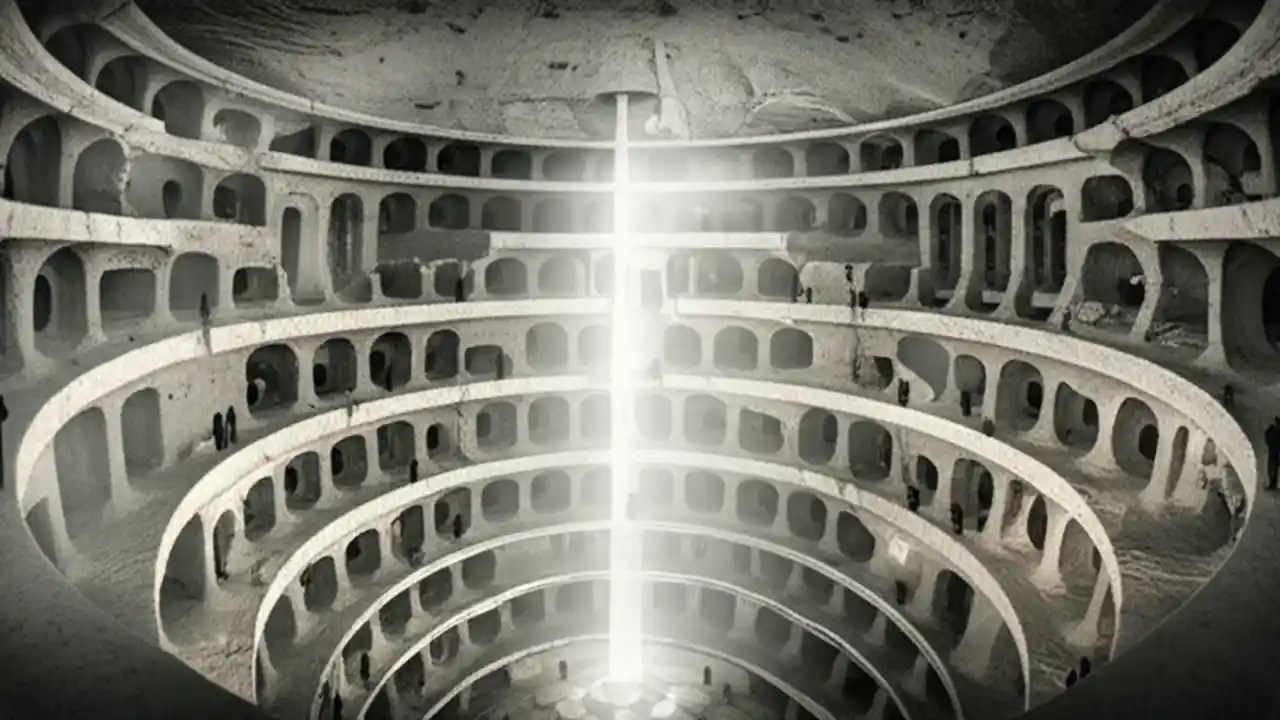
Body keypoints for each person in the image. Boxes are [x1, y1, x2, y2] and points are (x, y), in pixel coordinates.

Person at [1266, 417, 1280, 491]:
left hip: (1273, 452)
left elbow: (1267, 435)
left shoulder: (1272, 429)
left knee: (1272, 468)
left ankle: (1272, 484)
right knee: (1273, 468)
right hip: (1275, 452)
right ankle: (1273, 484)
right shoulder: (1273, 430)